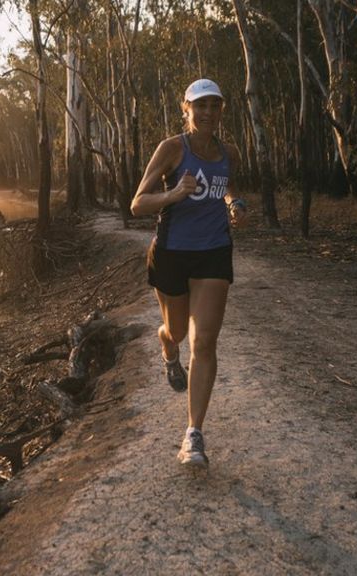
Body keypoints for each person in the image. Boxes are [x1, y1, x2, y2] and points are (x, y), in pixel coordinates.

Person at [129, 78, 247, 468]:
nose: (209, 113)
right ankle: (166, 346)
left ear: (221, 110)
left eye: (215, 106)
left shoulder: (228, 152)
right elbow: (138, 204)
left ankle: (193, 435)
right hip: (172, 253)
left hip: (214, 251)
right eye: (201, 106)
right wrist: (174, 194)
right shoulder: (172, 149)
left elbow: (226, 185)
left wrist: (235, 203)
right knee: (178, 332)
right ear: (187, 109)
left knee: (205, 343)